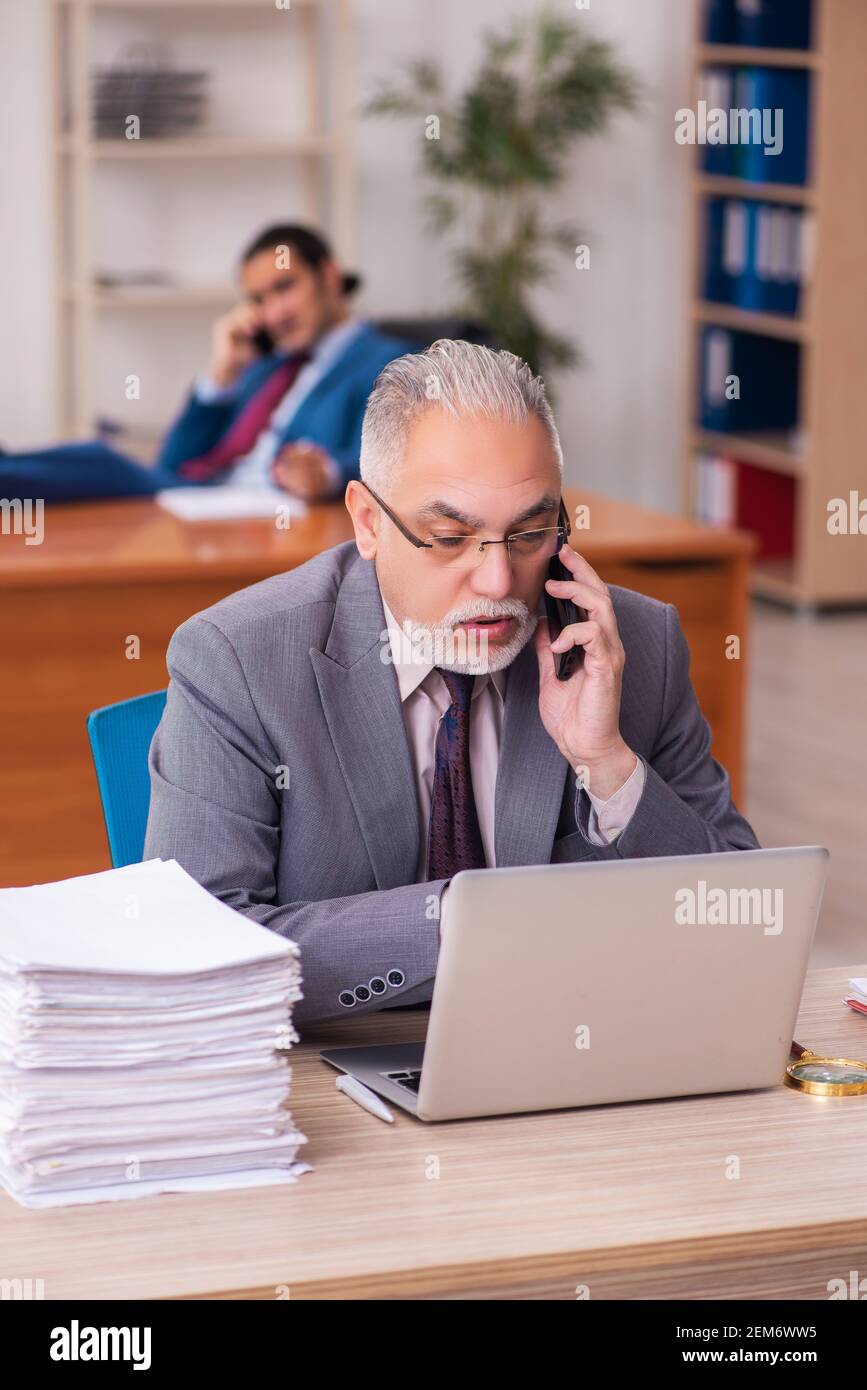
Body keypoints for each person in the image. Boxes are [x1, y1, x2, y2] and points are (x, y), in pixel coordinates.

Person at [143, 339, 759, 1027]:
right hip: (332, 1078)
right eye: (449, 536)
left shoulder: (630, 644)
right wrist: (473, 920)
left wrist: (606, 766)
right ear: (368, 521)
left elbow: (739, 919)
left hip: (571, 1057)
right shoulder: (237, 660)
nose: (497, 582)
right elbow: (199, 951)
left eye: (529, 534)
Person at [0, 225, 413, 504]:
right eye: (258, 300)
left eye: (285, 287)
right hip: (205, 504)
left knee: (100, 459)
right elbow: (171, 463)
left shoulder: (390, 362)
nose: (274, 313)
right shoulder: (265, 366)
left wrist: (327, 472)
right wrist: (222, 376)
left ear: (329, 275)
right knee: (96, 461)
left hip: (268, 513)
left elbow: (403, 462)